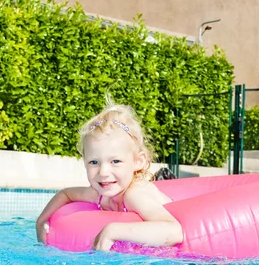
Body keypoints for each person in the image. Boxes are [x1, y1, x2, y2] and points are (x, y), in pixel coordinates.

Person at [36, 100, 184, 251]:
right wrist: (42, 220)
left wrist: (112, 231)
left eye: (115, 161)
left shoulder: (134, 194)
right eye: (94, 162)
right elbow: (66, 194)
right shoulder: (97, 194)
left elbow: (175, 232)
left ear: (138, 161)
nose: (103, 172)